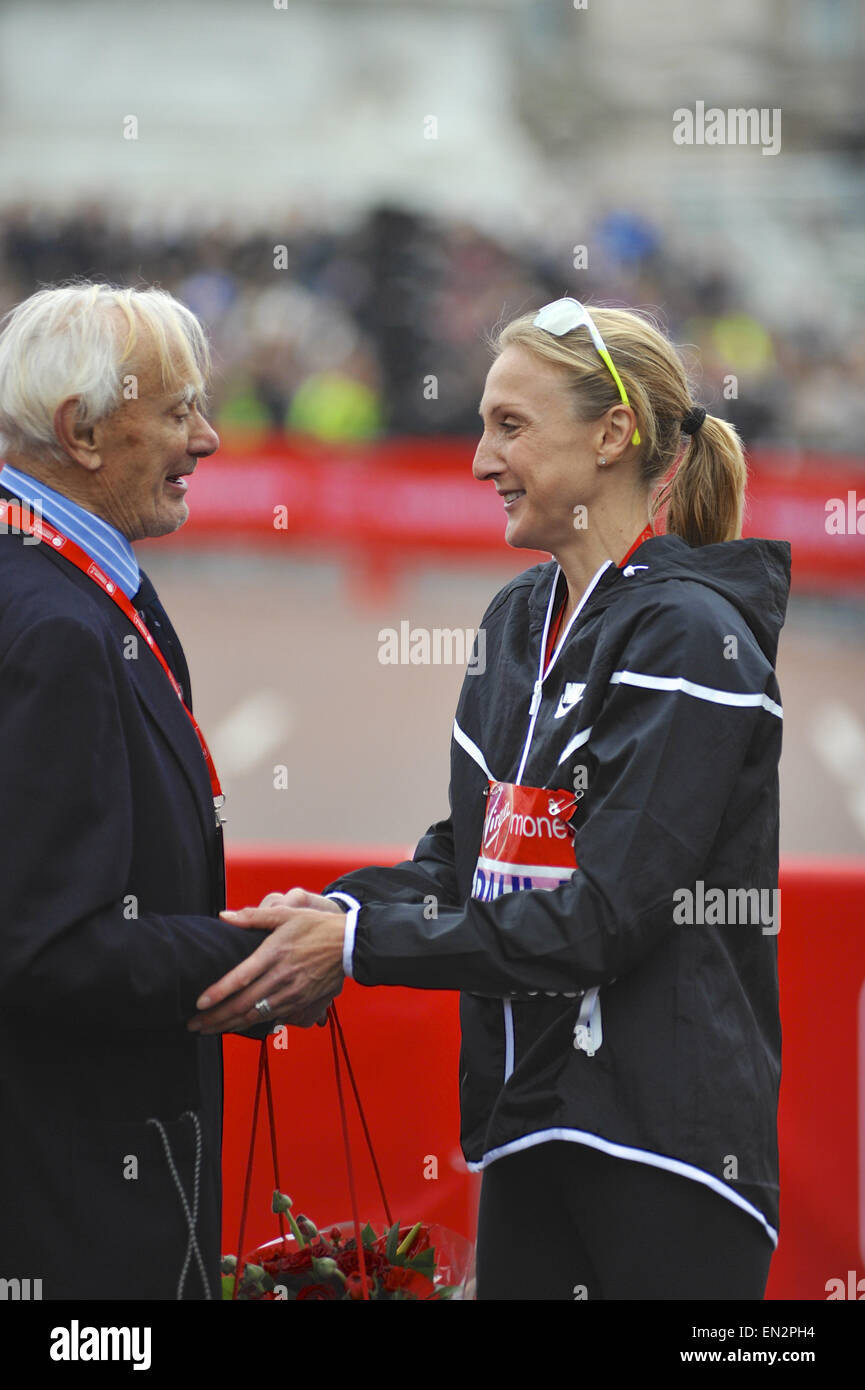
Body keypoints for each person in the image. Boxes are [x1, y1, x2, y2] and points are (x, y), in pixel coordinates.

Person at [191, 297, 790, 1301]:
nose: (476, 460)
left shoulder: (689, 636)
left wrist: (354, 949)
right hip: (530, 1122)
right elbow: (473, 855)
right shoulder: (519, 618)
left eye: (509, 425)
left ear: (611, 435)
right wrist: (337, 911)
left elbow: (600, 916)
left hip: (665, 1156)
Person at [0, 282, 320, 1300]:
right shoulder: (54, 625)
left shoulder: (66, 585)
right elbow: (47, 945)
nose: (211, 438)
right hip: (70, 1203)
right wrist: (264, 953)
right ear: (82, 431)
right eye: (180, 409)